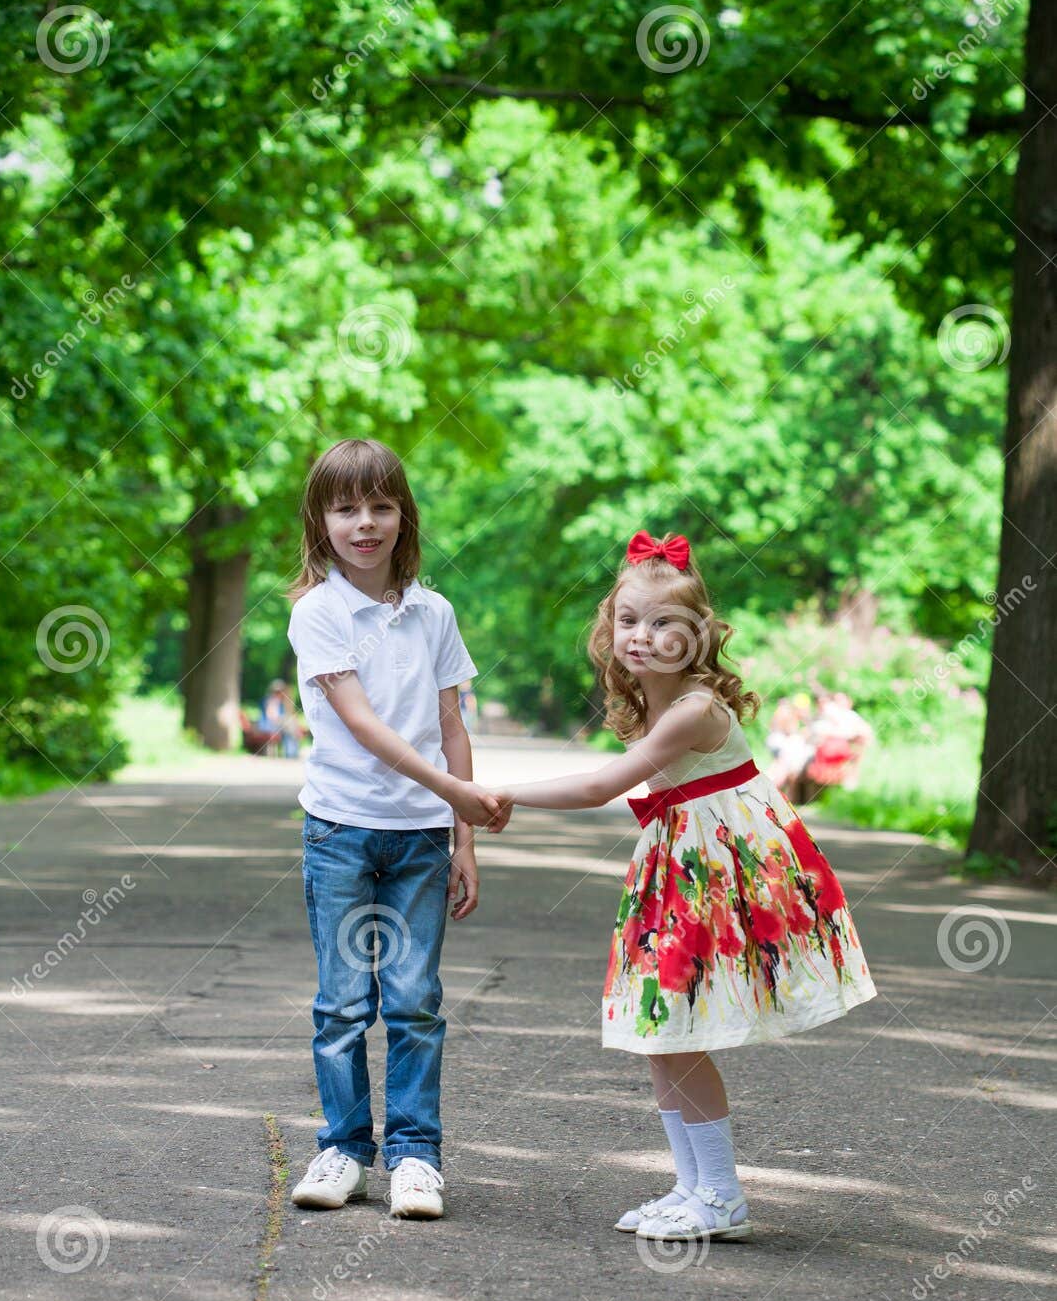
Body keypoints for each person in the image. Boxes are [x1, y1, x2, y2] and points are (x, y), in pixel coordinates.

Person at [491, 530, 877, 1244]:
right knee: (661, 1031)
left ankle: (722, 1196)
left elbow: (600, 786)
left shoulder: (694, 709)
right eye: (628, 620)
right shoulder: (649, 703)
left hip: (719, 876)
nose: (641, 635)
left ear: (697, 636)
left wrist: (502, 793)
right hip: (679, 866)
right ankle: (694, 1185)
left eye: (663, 622)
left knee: (683, 1029)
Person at [285, 438, 509, 1222]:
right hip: (340, 831)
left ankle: (416, 1157)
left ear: (403, 516)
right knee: (343, 1004)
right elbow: (362, 723)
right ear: (320, 522)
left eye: (380, 506)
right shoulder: (317, 613)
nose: (364, 524)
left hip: (419, 838)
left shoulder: (432, 612)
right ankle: (344, 1150)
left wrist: (462, 837)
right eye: (345, 509)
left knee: (414, 1001)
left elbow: (450, 725)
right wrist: (457, 793)